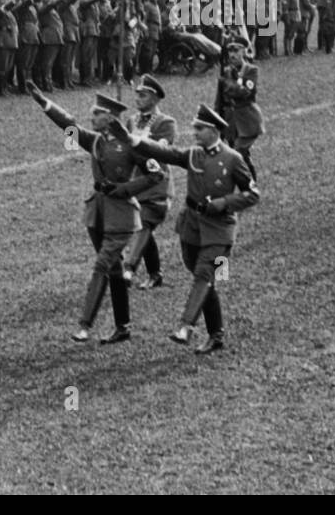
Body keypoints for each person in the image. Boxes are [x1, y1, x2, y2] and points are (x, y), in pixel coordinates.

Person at [108, 104, 259, 354]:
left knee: (204, 273)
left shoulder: (233, 159)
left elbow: (252, 194)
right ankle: (216, 334)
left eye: (199, 128)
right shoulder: (193, 155)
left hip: (220, 229)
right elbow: (164, 152)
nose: (195, 132)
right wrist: (130, 139)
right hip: (192, 226)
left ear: (214, 131)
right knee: (202, 274)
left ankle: (185, 327)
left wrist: (224, 203)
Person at [27, 84, 162, 344]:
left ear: (110, 117)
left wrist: (124, 189)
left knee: (102, 264)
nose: (92, 117)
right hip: (97, 213)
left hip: (121, 215)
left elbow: (157, 174)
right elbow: (68, 125)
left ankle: (84, 326)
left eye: (97, 113)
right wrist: (44, 102)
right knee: (112, 268)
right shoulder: (96, 140)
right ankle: (123, 327)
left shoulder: (132, 144)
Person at [122, 74, 176, 290]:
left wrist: (137, 144)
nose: (138, 99)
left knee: (144, 224)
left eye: (143, 96)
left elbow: (161, 151)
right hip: (136, 184)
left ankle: (128, 269)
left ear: (155, 98)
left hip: (157, 186)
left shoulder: (166, 123)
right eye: (137, 95)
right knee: (145, 228)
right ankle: (155, 274)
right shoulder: (131, 120)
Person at [217, 39, 264, 176]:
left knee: (236, 154)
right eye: (230, 51)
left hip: (247, 120)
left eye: (236, 51)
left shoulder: (251, 70)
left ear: (244, 51)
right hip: (230, 121)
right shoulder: (225, 72)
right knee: (240, 156)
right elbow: (219, 99)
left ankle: (248, 185)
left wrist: (231, 82)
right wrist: (217, 121)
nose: (232, 55)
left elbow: (246, 93)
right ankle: (249, 184)